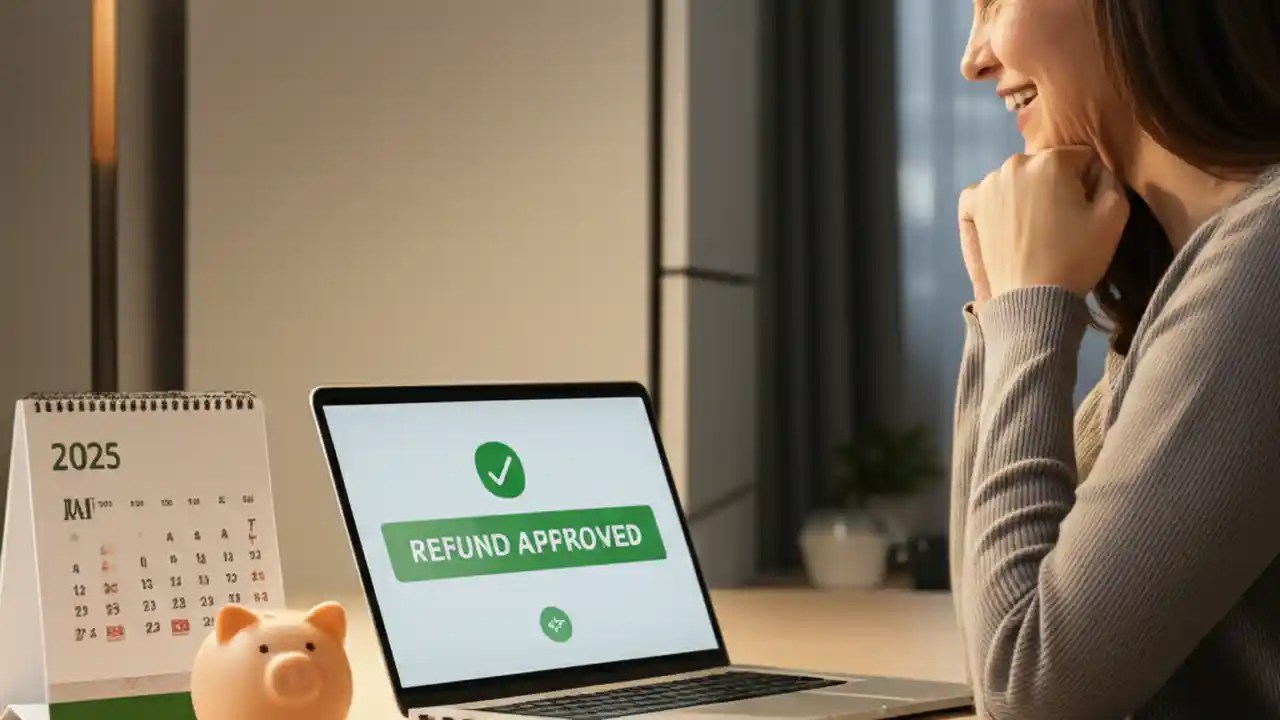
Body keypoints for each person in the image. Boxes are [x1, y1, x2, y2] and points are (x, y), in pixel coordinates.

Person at [948, 1, 1280, 718]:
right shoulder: (1194, 275)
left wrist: (1028, 309)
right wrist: (998, 304)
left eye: (994, 3)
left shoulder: (1269, 257)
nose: (973, 59)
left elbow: (1031, 693)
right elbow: (992, 648)